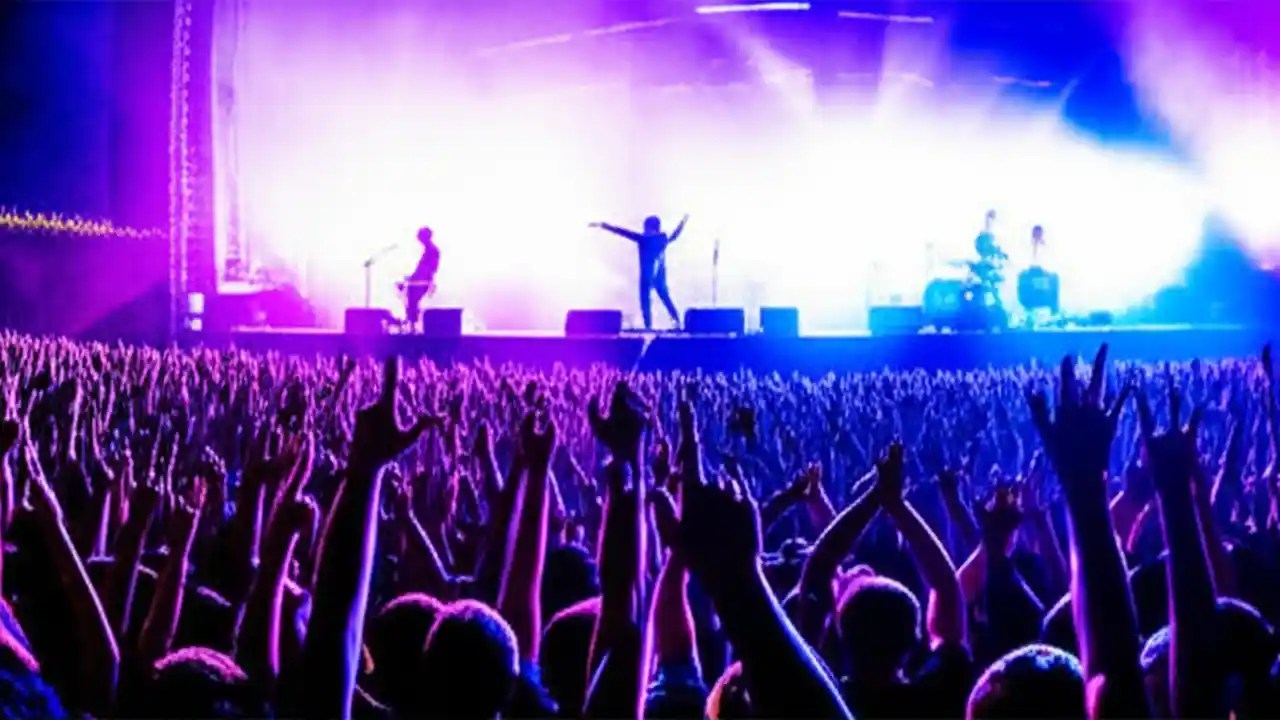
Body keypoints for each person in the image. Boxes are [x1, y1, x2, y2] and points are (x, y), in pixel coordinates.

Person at [590, 214, 688, 331]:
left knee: (649, 300)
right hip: (656, 277)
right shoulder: (661, 239)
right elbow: (674, 236)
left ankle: (655, 324)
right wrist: (683, 222)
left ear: (650, 227)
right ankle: (669, 322)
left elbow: (623, 232)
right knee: (659, 299)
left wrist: (604, 225)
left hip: (649, 277)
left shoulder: (646, 239)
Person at [403, 226, 440, 332]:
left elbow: (430, 268)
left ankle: (413, 326)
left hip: (423, 280)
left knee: (412, 300)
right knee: (412, 300)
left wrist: (416, 278)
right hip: (421, 279)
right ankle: (412, 325)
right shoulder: (429, 250)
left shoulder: (432, 250)